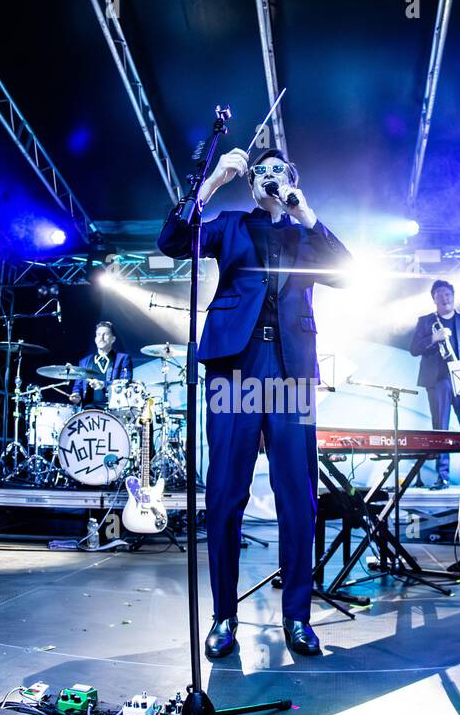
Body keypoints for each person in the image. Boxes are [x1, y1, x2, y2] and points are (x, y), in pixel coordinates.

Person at [157, 145, 351, 658]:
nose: (268, 176)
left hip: (290, 370)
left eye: (278, 171)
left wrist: (306, 213)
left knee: (298, 499)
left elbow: (347, 273)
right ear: (251, 184)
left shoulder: (303, 232)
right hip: (234, 367)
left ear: (291, 179)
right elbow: (172, 239)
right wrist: (214, 181)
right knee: (224, 495)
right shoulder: (228, 224)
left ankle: (297, 617)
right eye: (260, 172)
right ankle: (224, 616)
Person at [408, 279, 460, 489]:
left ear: (453, 295)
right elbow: (414, 349)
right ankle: (442, 477)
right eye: (440, 294)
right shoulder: (425, 321)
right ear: (434, 298)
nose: (445, 297)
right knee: (440, 430)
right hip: (438, 381)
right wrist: (434, 338)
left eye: (448, 293)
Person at [69, 320, 132, 406]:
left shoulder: (123, 358)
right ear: (95, 339)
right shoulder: (84, 361)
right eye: (98, 335)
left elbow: (125, 382)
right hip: (88, 410)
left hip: (113, 408)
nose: (101, 338)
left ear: (113, 339)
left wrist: (103, 384)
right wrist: (76, 395)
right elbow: (78, 386)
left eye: (105, 334)